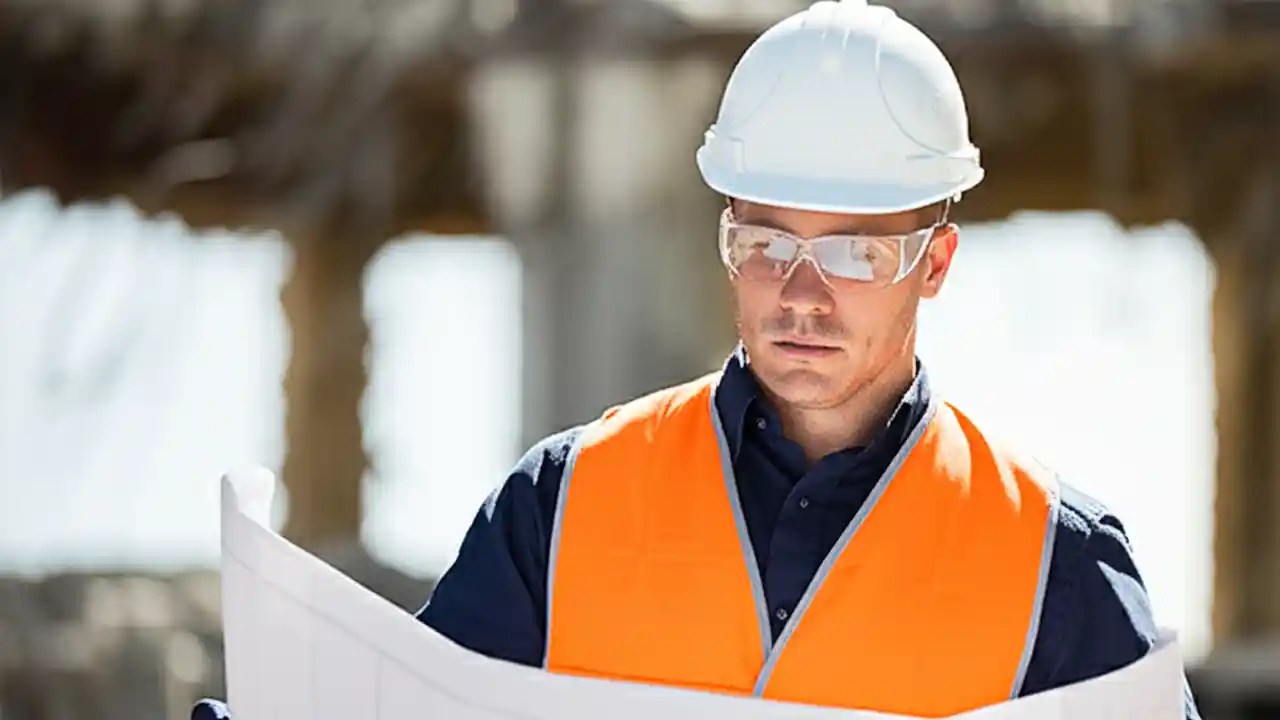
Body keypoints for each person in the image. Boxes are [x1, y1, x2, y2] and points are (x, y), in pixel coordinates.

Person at [197, 0, 1200, 717]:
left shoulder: (1052, 560)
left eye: (854, 253)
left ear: (932, 263)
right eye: (766, 243)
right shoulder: (561, 506)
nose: (800, 294)